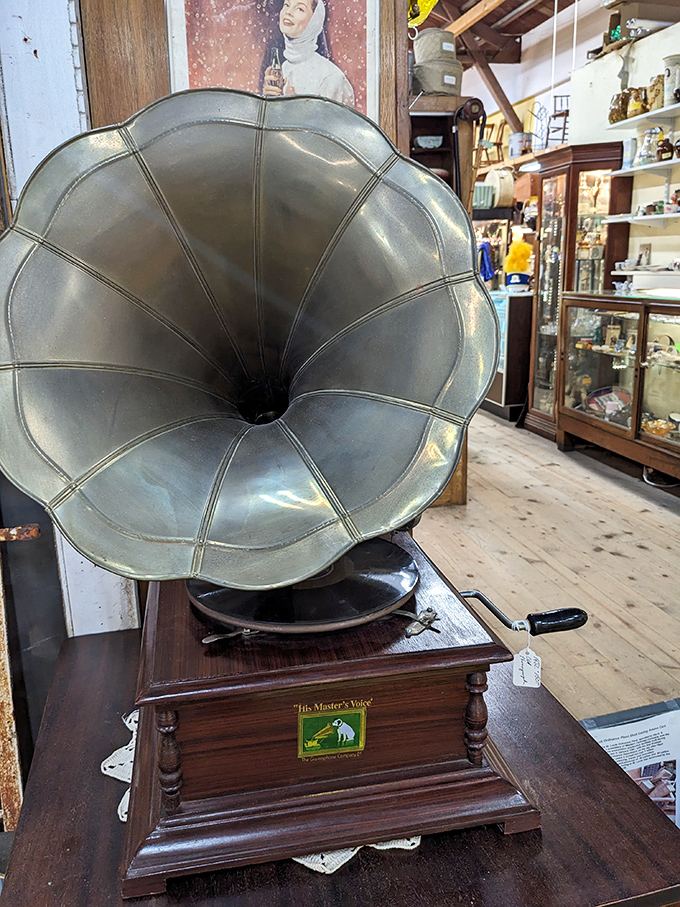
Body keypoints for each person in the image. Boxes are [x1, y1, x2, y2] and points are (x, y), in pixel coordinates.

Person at [262, 0, 355, 106]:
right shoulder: (284, 68)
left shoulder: (331, 78)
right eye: (287, 5)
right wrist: (268, 101)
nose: (288, 12)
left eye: (300, 9)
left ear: (315, 20)